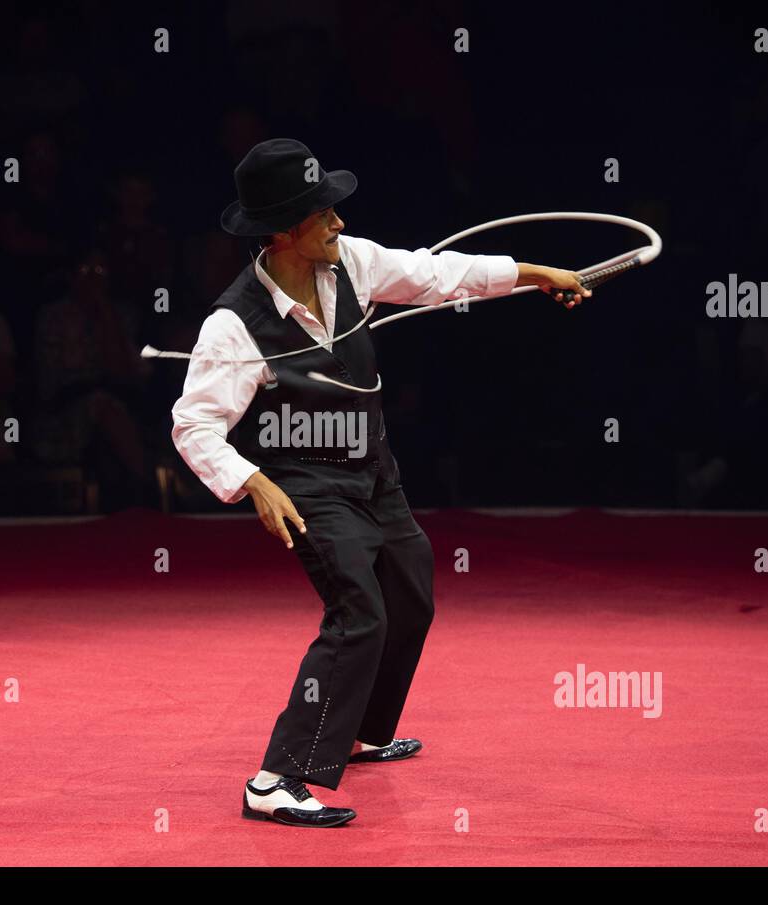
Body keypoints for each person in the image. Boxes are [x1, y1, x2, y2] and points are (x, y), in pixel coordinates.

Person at [171, 138, 589, 827]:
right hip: (306, 486)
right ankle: (278, 778)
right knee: (358, 611)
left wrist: (535, 273)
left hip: (374, 474)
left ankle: (360, 731)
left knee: (411, 591)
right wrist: (253, 483)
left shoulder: (353, 265)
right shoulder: (233, 325)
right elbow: (193, 427)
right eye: (322, 214)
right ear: (283, 231)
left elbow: (437, 274)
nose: (338, 223)